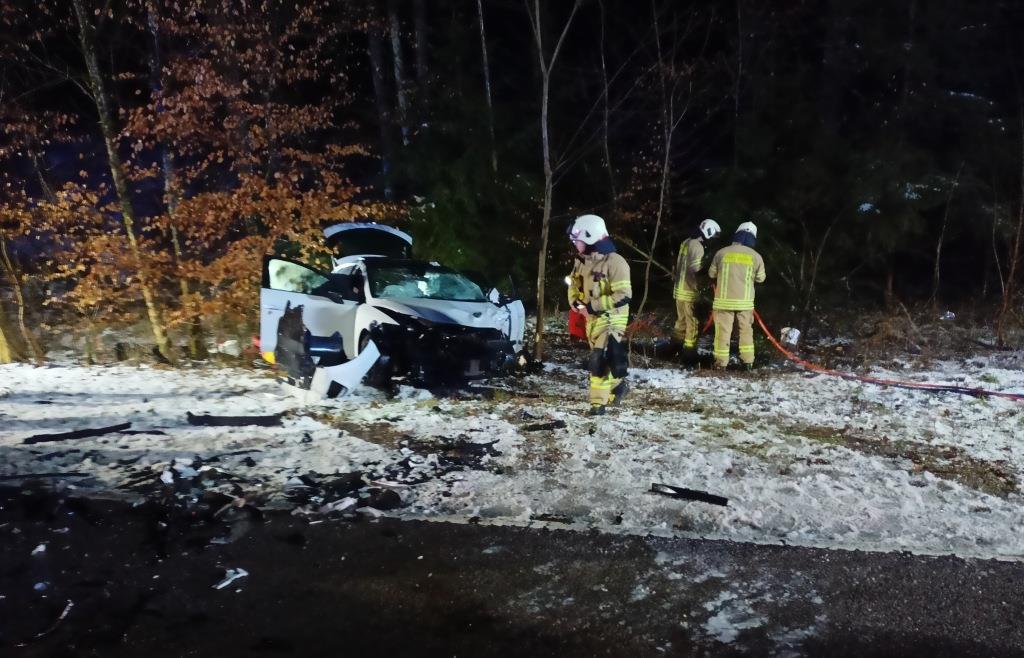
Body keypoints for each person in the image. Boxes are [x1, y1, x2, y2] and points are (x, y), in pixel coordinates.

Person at [566, 214, 632, 415]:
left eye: (577, 240)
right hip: (591, 320)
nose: (575, 244)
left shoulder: (616, 262)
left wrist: (593, 306)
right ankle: (619, 385)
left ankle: (597, 405)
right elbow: (573, 284)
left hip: (612, 318)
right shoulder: (581, 262)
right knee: (605, 362)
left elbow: (624, 295)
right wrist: (575, 301)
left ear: (590, 236)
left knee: (599, 361)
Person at [707, 221, 766, 370]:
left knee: (723, 332)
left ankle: (720, 364)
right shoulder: (756, 257)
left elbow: (711, 274)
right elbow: (761, 278)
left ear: (737, 234)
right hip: (745, 303)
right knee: (746, 331)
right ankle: (748, 363)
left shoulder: (721, 253)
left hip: (723, 302)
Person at [672, 218, 721, 358]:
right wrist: (710, 275)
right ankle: (689, 353)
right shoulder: (697, 246)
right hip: (689, 291)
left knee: (681, 321)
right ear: (708, 231)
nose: (713, 240)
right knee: (692, 322)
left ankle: (674, 348)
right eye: (714, 235)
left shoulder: (686, 242)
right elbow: (696, 268)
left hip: (679, 289)